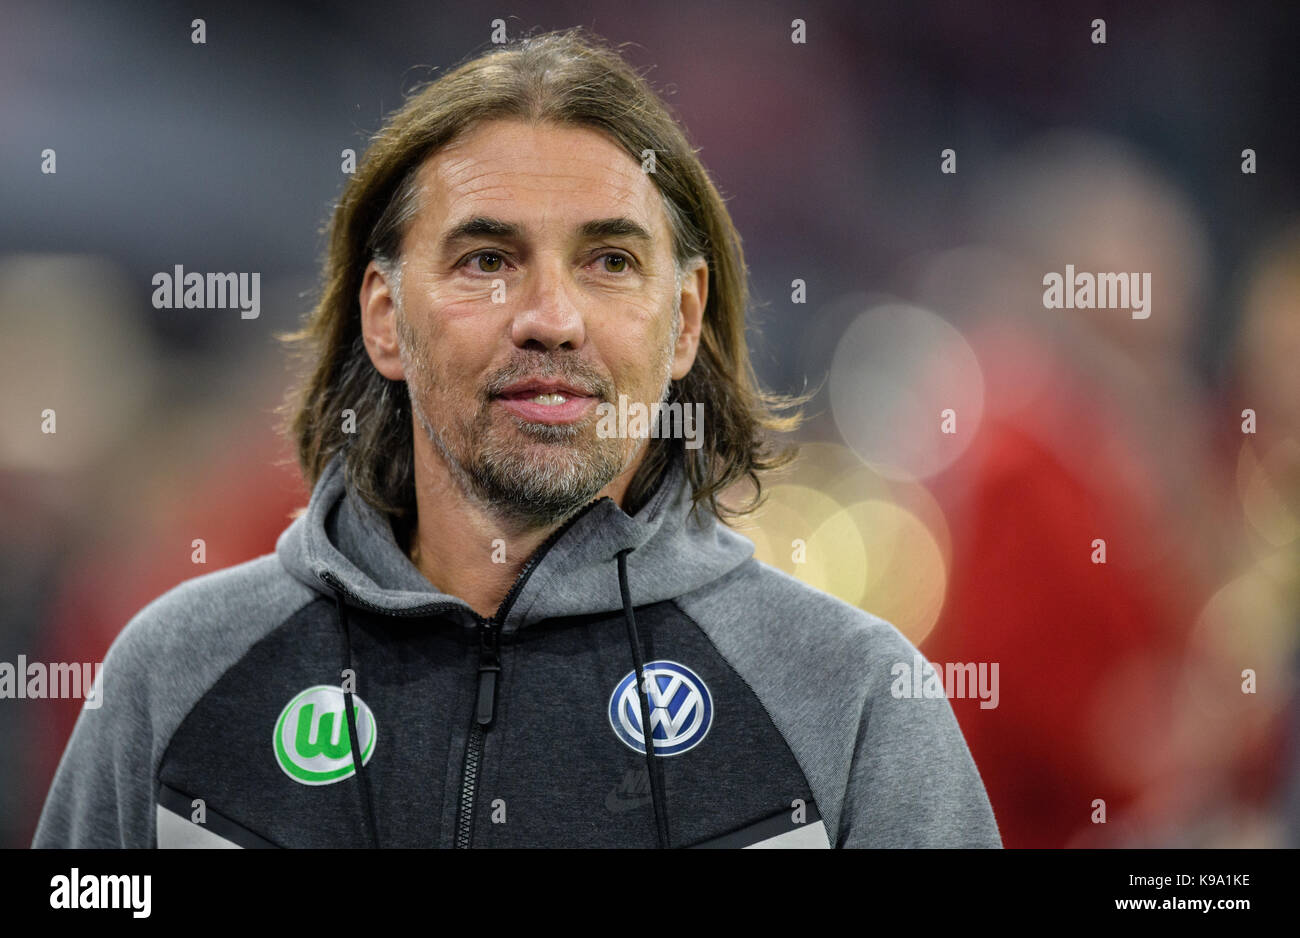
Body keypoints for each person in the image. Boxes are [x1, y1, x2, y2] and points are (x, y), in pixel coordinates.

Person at [33, 28, 1000, 849]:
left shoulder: (853, 701)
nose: (550, 316)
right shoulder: (175, 678)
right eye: (488, 258)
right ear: (384, 317)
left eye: (611, 261)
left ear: (682, 322)